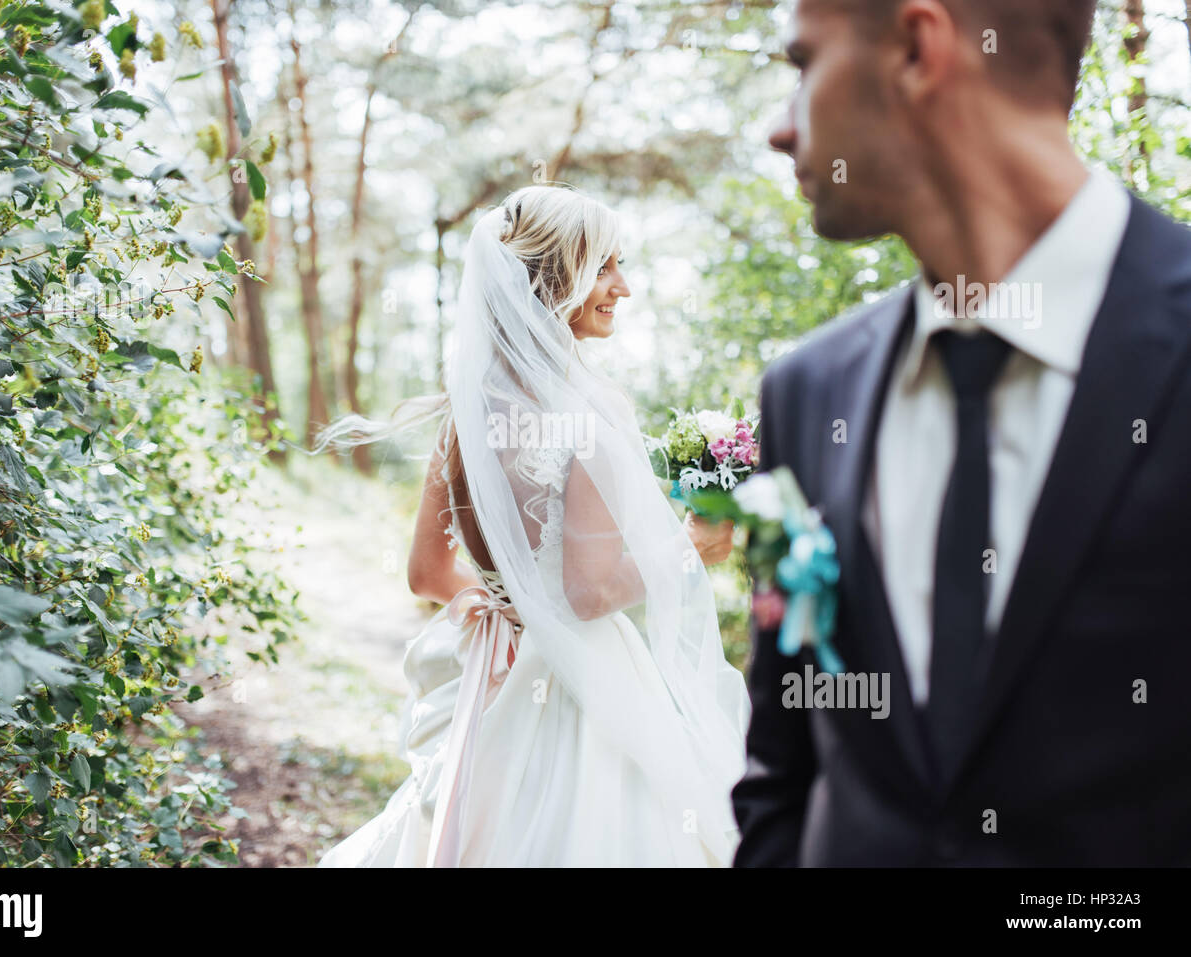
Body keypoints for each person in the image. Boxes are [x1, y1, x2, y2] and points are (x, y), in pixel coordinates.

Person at [733, 0, 1191, 866]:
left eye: (803, 64)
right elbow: (781, 772)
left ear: (916, 46)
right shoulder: (804, 392)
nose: (778, 130)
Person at [317, 184, 750, 866]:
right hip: (582, 680)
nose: (624, 287)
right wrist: (692, 542)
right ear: (557, 278)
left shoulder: (464, 409)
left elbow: (426, 574)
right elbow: (589, 594)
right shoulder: (588, 413)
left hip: (491, 674)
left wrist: (508, 613)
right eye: (606, 266)